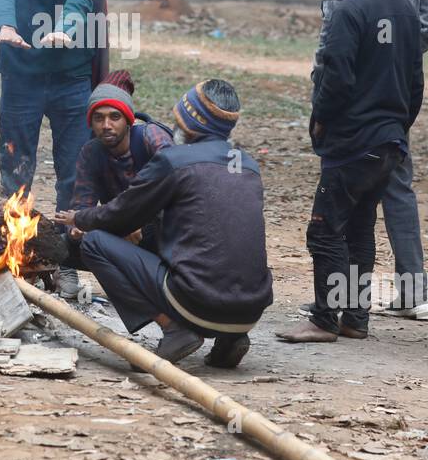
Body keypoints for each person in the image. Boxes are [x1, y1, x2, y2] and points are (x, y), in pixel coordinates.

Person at [55, 80, 273, 369]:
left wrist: (78, 219)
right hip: (251, 308)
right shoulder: (248, 165)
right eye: (99, 118)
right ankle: (230, 338)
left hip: (198, 302)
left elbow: (121, 213)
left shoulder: (174, 160)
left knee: (95, 243)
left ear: (188, 122)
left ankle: (173, 329)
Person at [279, 0, 423, 344]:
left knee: (325, 228)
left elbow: (335, 78)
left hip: (353, 142)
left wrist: (321, 119)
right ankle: (355, 318)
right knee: (360, 227)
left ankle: (324, 318)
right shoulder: (406, 12)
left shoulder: (350, 11)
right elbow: (415, 85)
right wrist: (397, 126)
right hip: (390, 141)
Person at [311, 0, 428, 319]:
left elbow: (333, 25)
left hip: (351, 98)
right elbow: (426, 27)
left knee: (337, 208)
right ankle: (412, 289)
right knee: (394, 187)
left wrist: (323, 97)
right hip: (396, 95)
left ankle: (333, 310)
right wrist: (395, 61)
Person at [0, 0, 109, 299]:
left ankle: (66, 263)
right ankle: (12, 251)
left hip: (70, 74)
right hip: (20, 71)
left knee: (74, 172)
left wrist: (68, 26)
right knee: (16, 167)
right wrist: (4, 24)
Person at [68, 70, 174, 255]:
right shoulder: (90, 152)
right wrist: (77, 228)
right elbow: (82, 203)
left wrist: (143, 224)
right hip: (120, 229)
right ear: (91, 123)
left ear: (128, 120)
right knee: (65, 247)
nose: (106, 125)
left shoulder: (152, 137)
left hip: (166, 231)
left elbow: (180, 188)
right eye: (98, 118)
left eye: (114, 117)